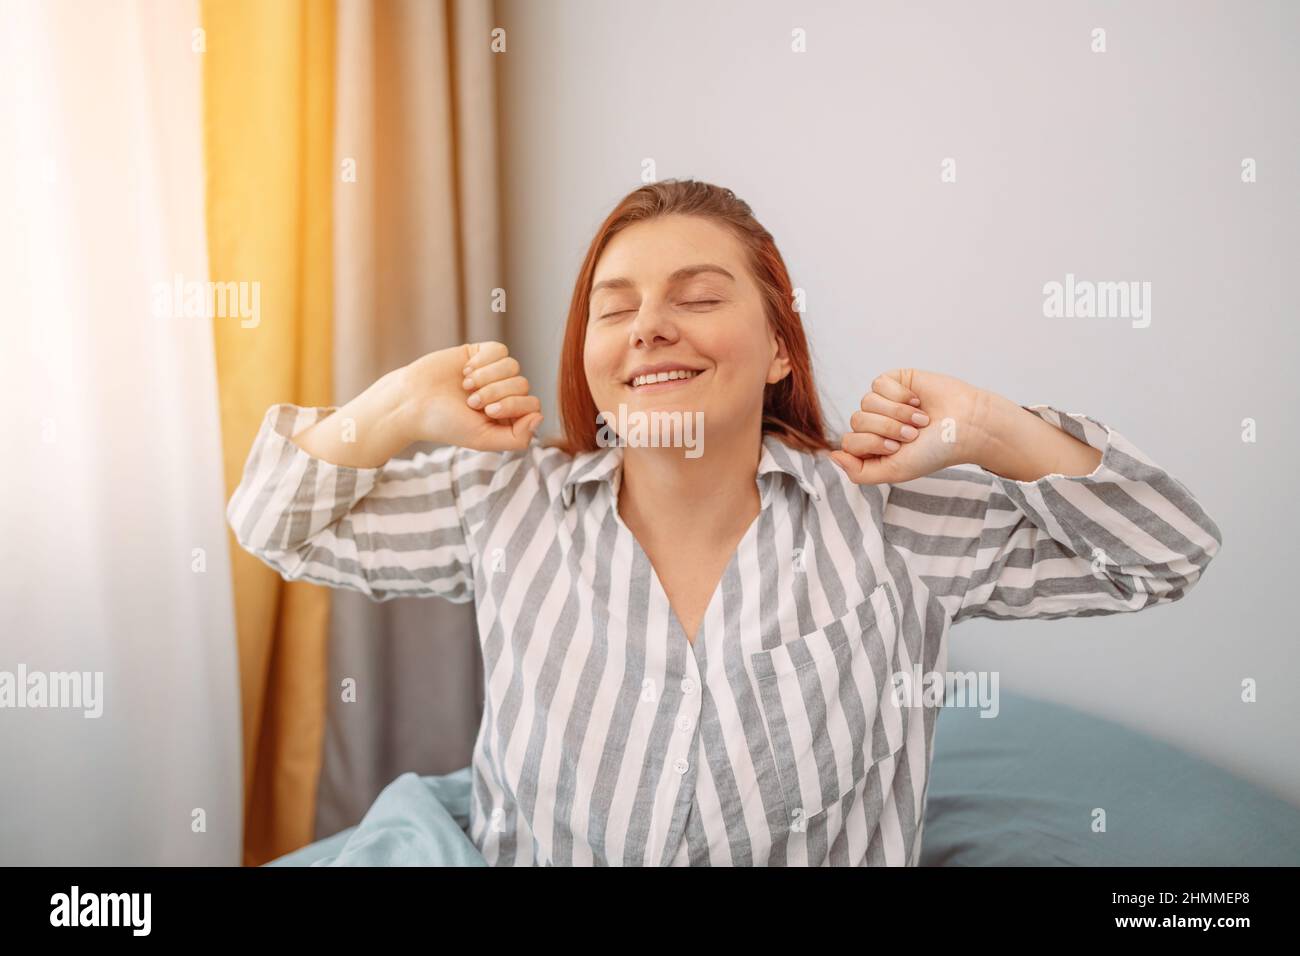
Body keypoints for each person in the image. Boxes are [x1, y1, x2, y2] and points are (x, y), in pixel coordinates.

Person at [226, 179, 1222, 866]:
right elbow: (274, 522)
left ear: (780, 347)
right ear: (590, 358)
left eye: (698, 296)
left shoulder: (888, 516)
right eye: (612, 311)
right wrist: (394, 405)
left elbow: (1168, 552)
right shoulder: (503, 504)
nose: (650, 324)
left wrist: (996, 430)